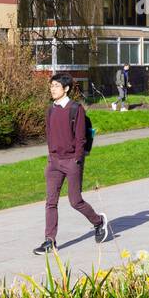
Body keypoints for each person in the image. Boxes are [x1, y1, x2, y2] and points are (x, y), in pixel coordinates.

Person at [34, 75, 113, 255]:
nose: (52, 89)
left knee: (75, 201)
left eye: (56, 86)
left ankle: (99, 221)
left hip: (71, 161)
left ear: (66, 88)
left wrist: (77, 159)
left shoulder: (75, 109)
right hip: (54, 161)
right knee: (50, 202)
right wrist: (51, 155)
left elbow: (80, 138)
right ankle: (50, 241)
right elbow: (49, 133)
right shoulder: (50, 110)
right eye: (51, 86)